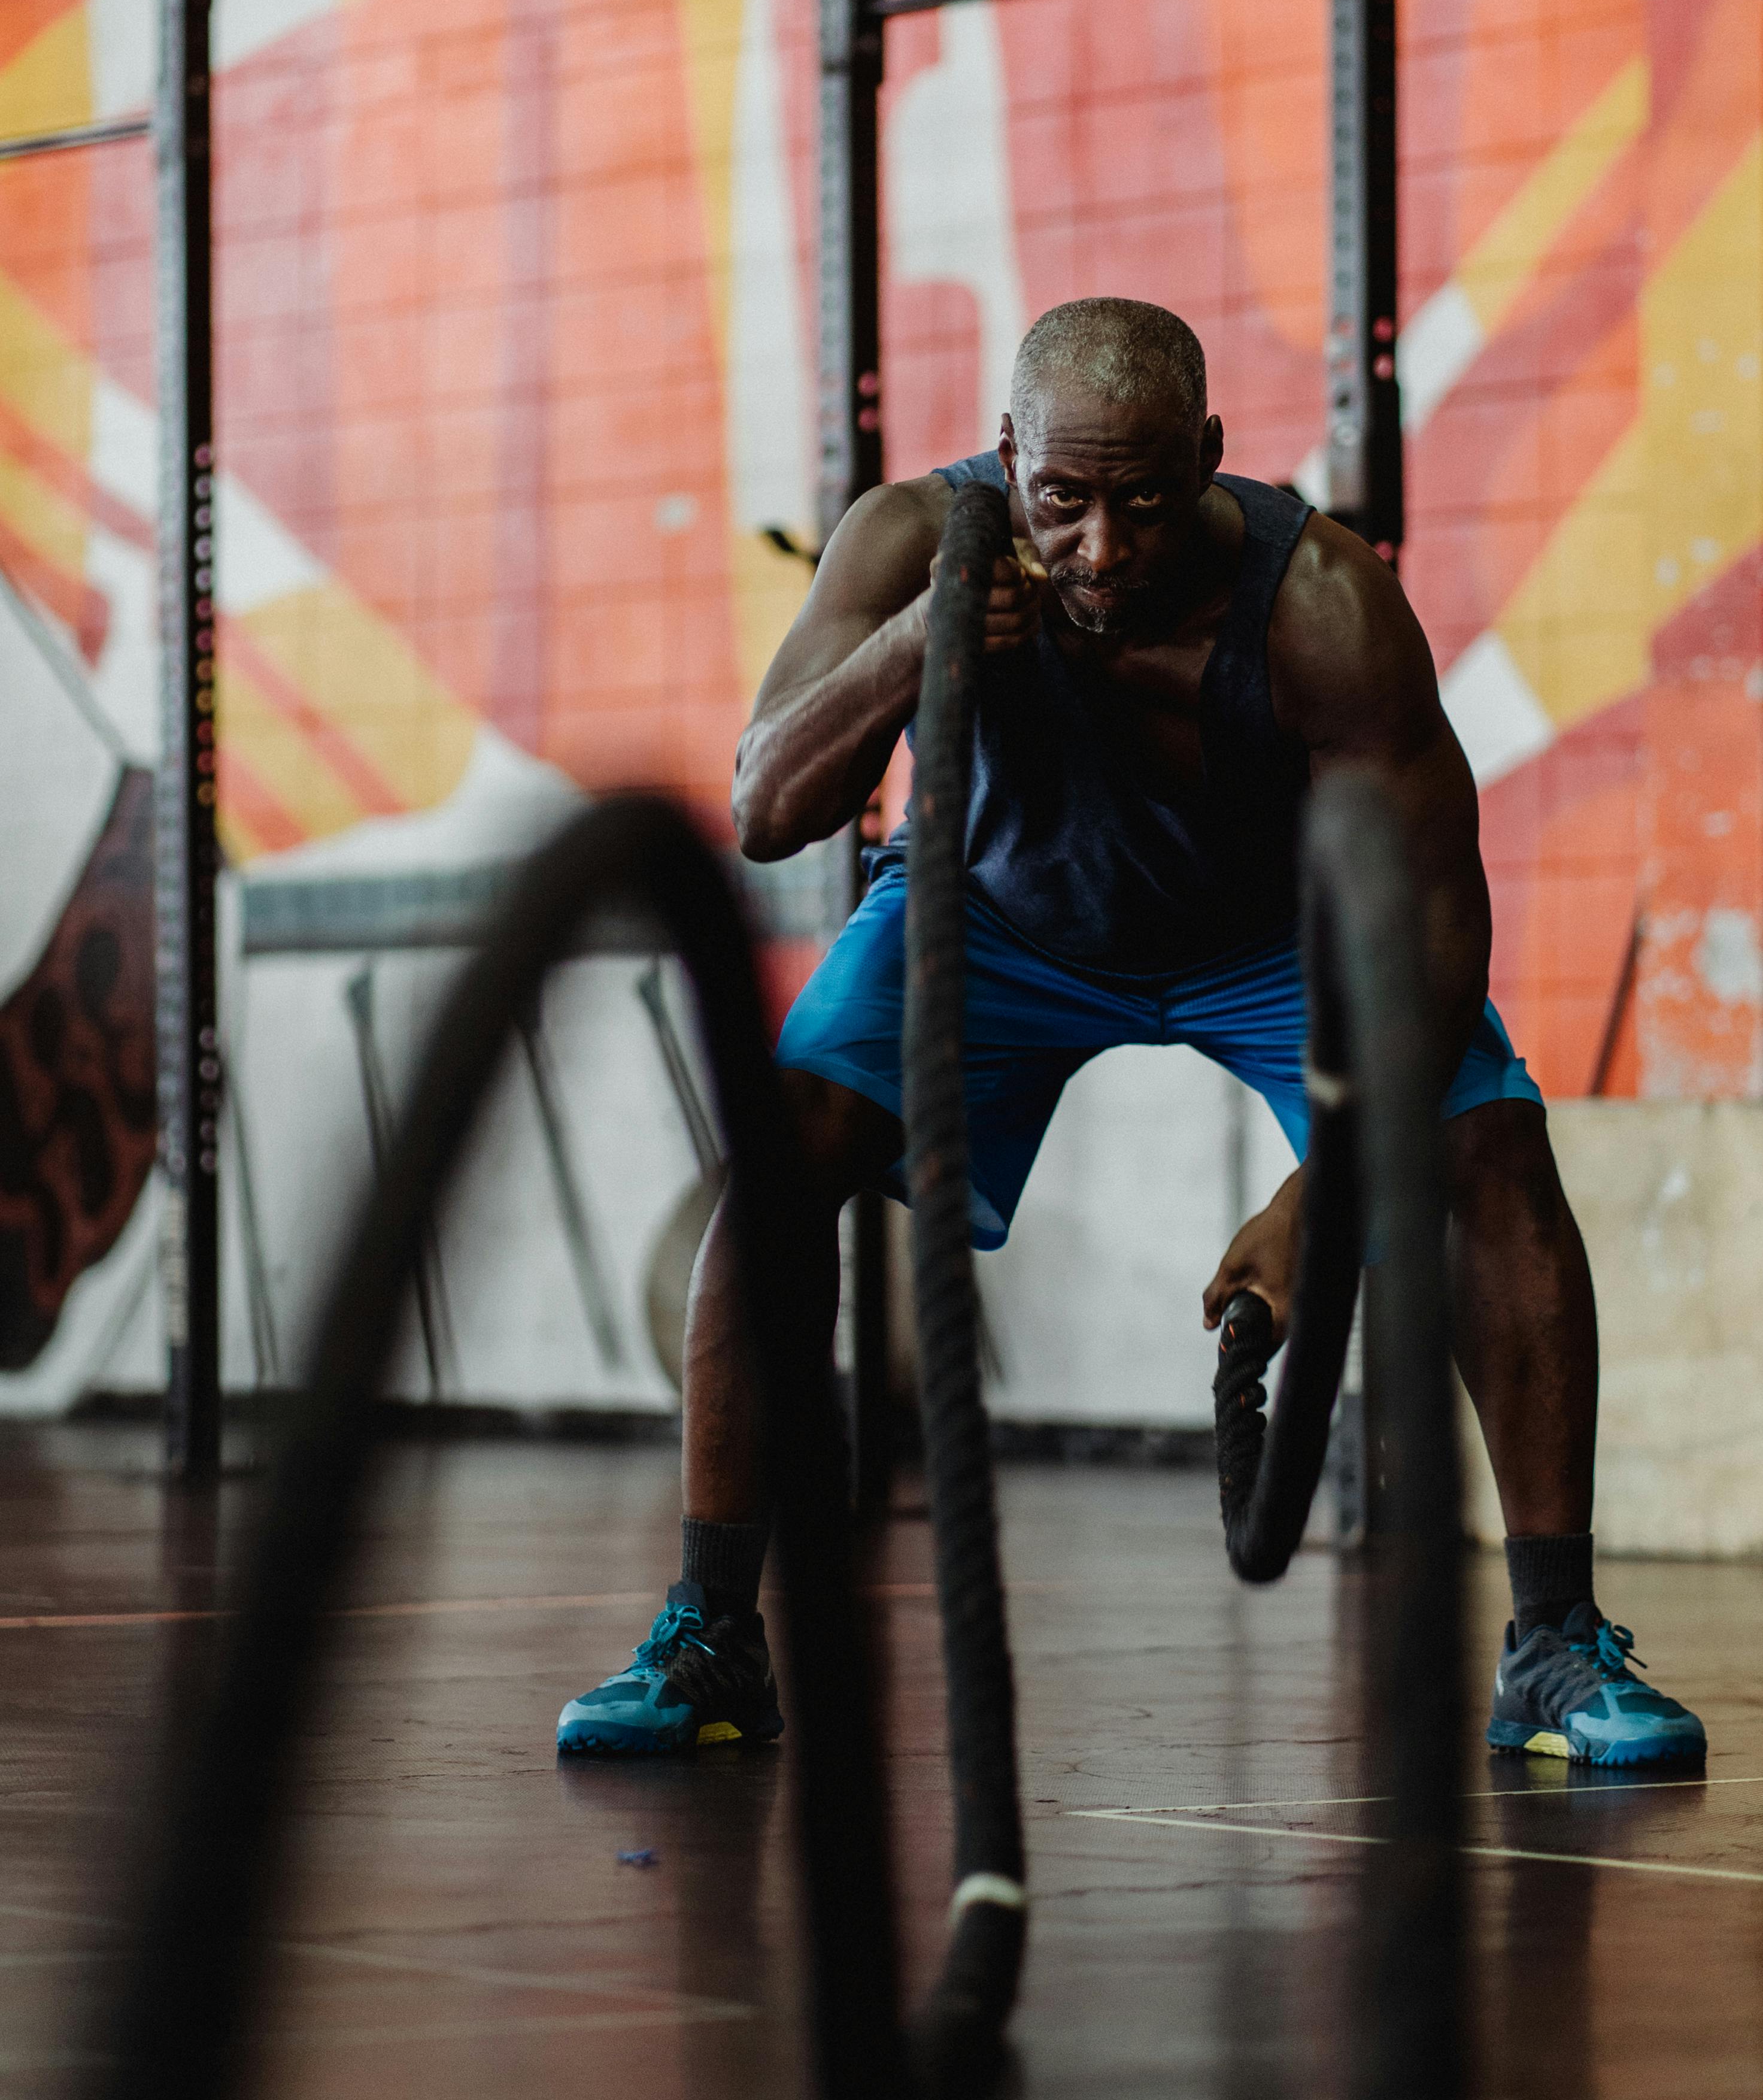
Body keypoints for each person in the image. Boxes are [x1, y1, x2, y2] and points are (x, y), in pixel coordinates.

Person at [557, 296, 1703, 1773]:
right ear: (1007, 462)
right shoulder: (913, 539)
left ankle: (1554, 1641)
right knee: (784, 1157)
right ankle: (713, 1631)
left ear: (1212, 461)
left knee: (1489, 1147)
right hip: (992, 908)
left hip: (1269, 939)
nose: (1103, 549)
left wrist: (1326, 1193)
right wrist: (920, 639)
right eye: (1064, 502)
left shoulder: (1324, 607)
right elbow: (768, 807)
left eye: (1147, 504)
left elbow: (1434, 922)